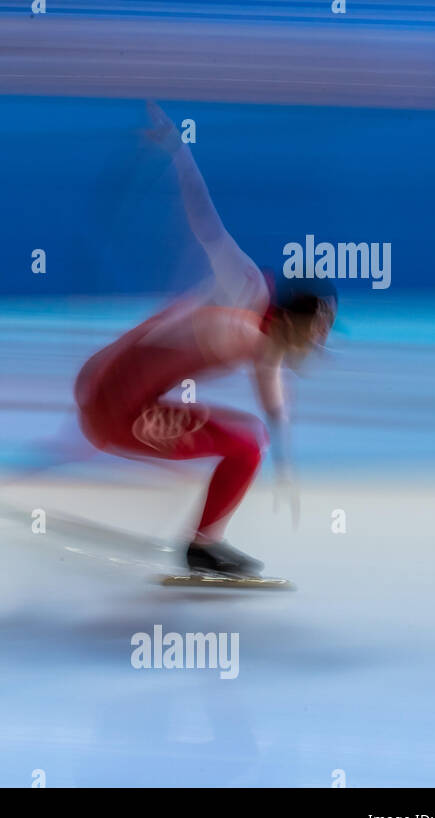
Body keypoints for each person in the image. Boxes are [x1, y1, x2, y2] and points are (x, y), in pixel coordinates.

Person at [73, 102, 336, 577]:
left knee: (248, 441)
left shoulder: (267, 334)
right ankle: (201, 546)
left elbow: (271, 387)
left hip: (103, 387)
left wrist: (287, 458)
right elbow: (205, 224)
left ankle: (202, 541)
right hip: (114, 403)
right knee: (245, 444)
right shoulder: (245, 292)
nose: (315, 348)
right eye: (316, 335)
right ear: (294, 322)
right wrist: (178, 150)